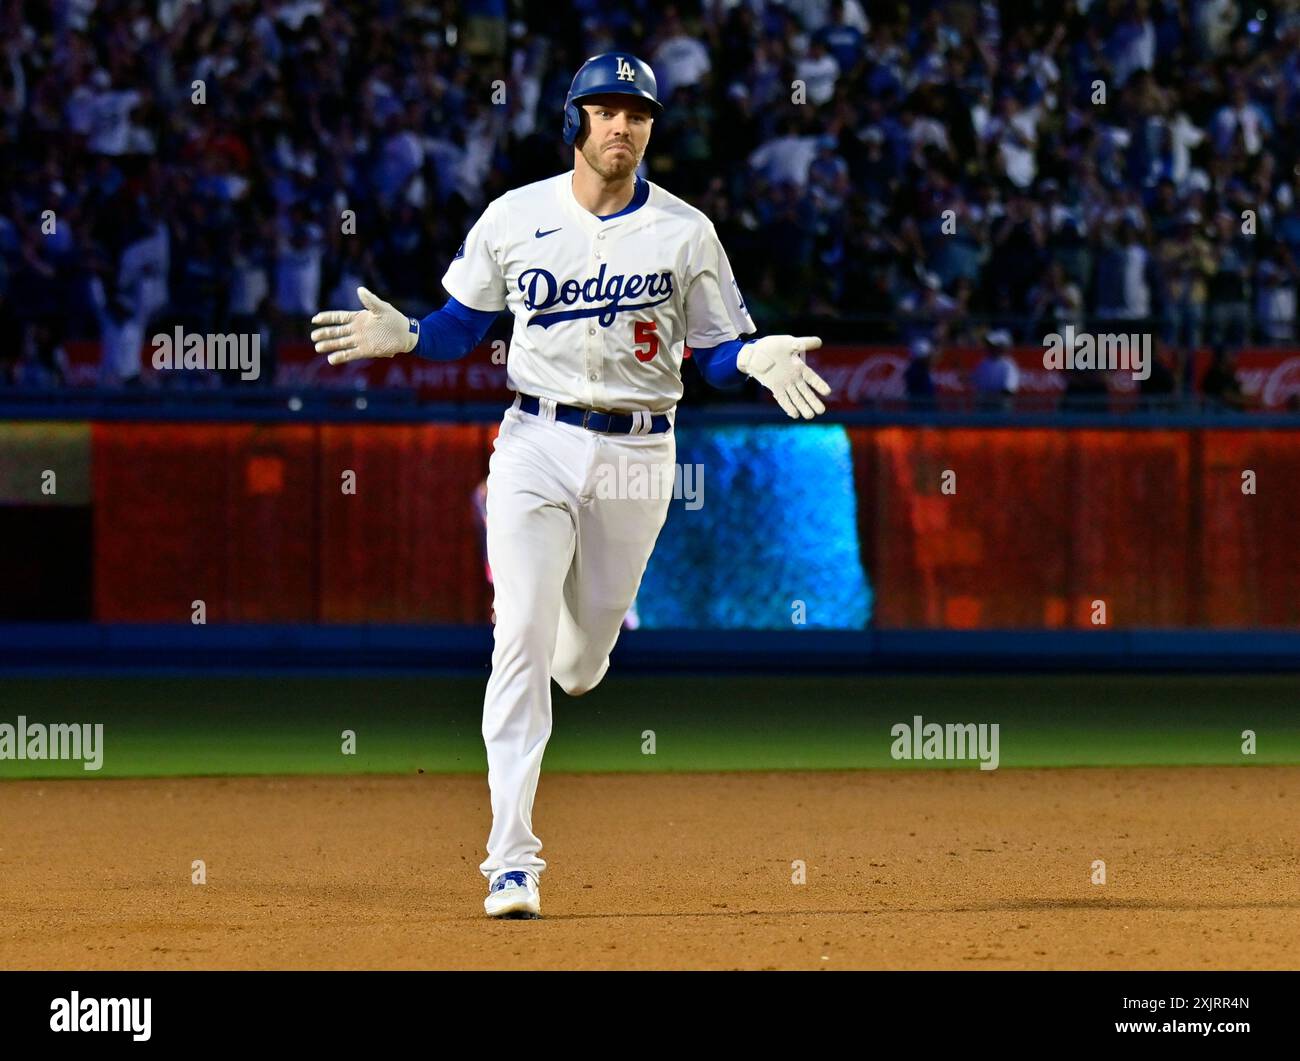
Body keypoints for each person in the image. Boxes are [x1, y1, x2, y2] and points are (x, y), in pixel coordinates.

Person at [308, 53, 831, 919]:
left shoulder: (685, 231)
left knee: (581, 668)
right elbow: (454, 328)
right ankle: (511, 861)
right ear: (574, 121)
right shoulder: (515, 218)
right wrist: (406, 335)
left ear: (652, 127)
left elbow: (718, 349)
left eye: (637, 112)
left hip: (639, 455)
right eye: (605, 109)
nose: (621, 124)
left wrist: (754, 352)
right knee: (518, 635)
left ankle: (550, 626)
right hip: (535, 441)